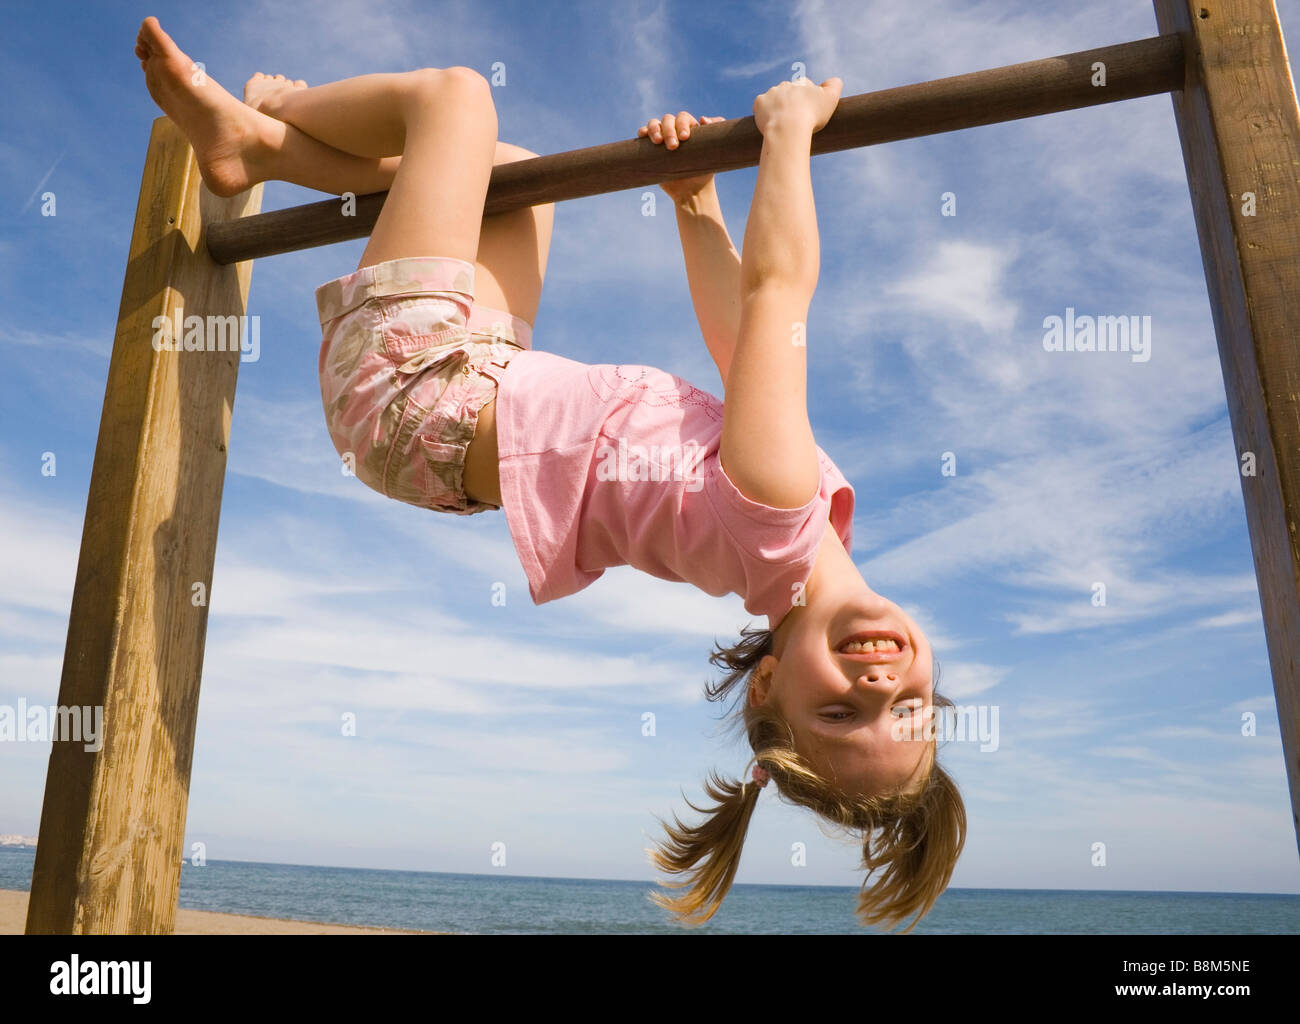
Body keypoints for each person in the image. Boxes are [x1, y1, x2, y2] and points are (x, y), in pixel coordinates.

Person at [135, 14, 965, 930]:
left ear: (768, 689)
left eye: (841, 719)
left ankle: (269, 126)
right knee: (513, 175)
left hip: (420, 388)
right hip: (460, 396)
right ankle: (261, 148)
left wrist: (788, 135)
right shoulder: (807, 525)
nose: (881, 692)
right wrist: (696, 202)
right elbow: (742, 352)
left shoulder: (776, 516)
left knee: (457, 100)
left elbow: (780, 293)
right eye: (911, 714)